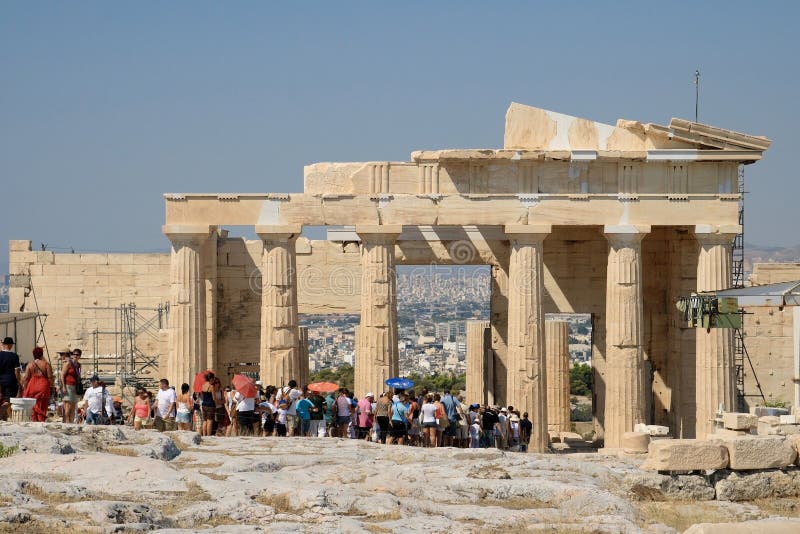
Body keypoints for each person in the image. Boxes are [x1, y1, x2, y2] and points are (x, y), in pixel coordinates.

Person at [22, 346, 53, 422]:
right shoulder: (46, 364)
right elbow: (50, 377)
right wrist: (51, 387)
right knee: (42, 404)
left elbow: (26, 378)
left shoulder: (30, 365)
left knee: (33, 404)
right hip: (43, 385)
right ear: (42, 354)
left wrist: (25, 389)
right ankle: (41, 420)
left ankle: (34, 420)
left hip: (32, 385)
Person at [0, 337, 21, 421]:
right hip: (10, 381)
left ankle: (3, 418)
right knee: (9, 400)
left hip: (0, 381)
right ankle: (0, 413)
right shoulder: (14, 356)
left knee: (2, 399)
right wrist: (19, 381)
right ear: (9, 345)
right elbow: (17, 371)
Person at [60, 349, 82, 423]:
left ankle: (71, 422)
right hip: (67, 386)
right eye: (74, 354)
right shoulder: (68, 363)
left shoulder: (78, 365)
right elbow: (62, 375)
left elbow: (78, 376)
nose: (75, 356)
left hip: (75, 387)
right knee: (67, 406)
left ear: (79, 356)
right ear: (72, 355)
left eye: (77, 355)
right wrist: (63, 386)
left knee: (73, 405)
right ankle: (66, 422)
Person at [199, 372, 216, 437]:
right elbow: (214, 398)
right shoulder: (211, 386)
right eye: (213, 378)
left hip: (204, 404)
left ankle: (204, 435)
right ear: (211, 378)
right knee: (210, 421)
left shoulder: (203, 385)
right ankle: (208, 436)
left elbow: (202, 396)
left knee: (204, 421)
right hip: (210, 405)